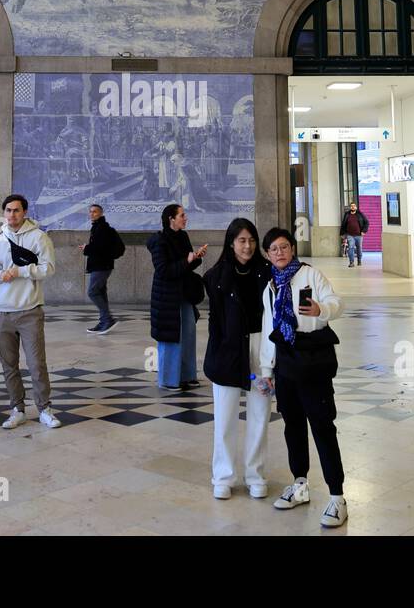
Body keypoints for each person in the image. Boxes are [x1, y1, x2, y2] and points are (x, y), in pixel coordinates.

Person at [258, 227, 347, 528]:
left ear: (293, 249)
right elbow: (268, 329)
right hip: (286, 362)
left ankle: (337, 496)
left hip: (313, 359)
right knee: (293, 427)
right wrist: (268, 370)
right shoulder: (270, 287)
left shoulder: (311, 275)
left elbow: (337, 303)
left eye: (284, 247)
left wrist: (321, 309)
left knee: (322, 426)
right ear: (268, 254)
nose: (279, 252)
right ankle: (300, 485)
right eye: (273, 249)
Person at [203, 217, 271, 500]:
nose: (248, 246)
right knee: (225, 417)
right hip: (228, 350)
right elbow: (215, 321)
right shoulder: (216, 276)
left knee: (260, 416)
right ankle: (223, 475)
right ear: (231, 243)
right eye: (242, 240)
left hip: (260, 349)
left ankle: (255, 474)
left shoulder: (268, 273)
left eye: (252, 240)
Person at [0, 194, 62, 429]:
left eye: (16, 210)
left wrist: (22, 271)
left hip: (29, 310)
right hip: (1, 312)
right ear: (4, 213)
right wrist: (0, 275)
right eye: (8, 210)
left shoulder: (39, 238)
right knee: (9, 365)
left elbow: (49, 268)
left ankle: (45, 409)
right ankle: (17, 408)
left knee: (37, 364)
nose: (12, 215)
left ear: (24, 212)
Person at [147, 203, 209, 392]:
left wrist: (196, 258)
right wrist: (186, 261)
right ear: (171, 219)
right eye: (182, 215)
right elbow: (163, 270)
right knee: (170, 337)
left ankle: (187, 375)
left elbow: (186, 266)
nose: (185, 218)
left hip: (184, 294)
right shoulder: (159, 241)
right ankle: (168, 380)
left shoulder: (183, 236)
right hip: (167, 296)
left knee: (188, 335)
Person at [78, 203, 125, 334]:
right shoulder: (97, 227)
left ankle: (107, 319)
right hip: (101, 265)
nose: (92, 214)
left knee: (93, 292)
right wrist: (88, 247)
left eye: (95, 212)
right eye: (91, 212)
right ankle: (104, 321)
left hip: (102, 266)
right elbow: (100, 246)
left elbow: (100, 247)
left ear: (101, 213)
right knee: (101, 292)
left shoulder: (102, 228)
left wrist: (87, 248)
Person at [339, 202, 368, 268]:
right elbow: (343, 224)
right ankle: (351, 262)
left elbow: (366, 222)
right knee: (350, 248)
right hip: (350, 235)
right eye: (351, 206)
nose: (352, 207)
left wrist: (364, 231)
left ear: (356, 207)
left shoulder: (360, 214)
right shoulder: (347, 214)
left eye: (354, 206)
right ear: (350, 207)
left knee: (359, 248)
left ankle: (359, 260)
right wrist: (342, 233)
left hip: (359, 235)